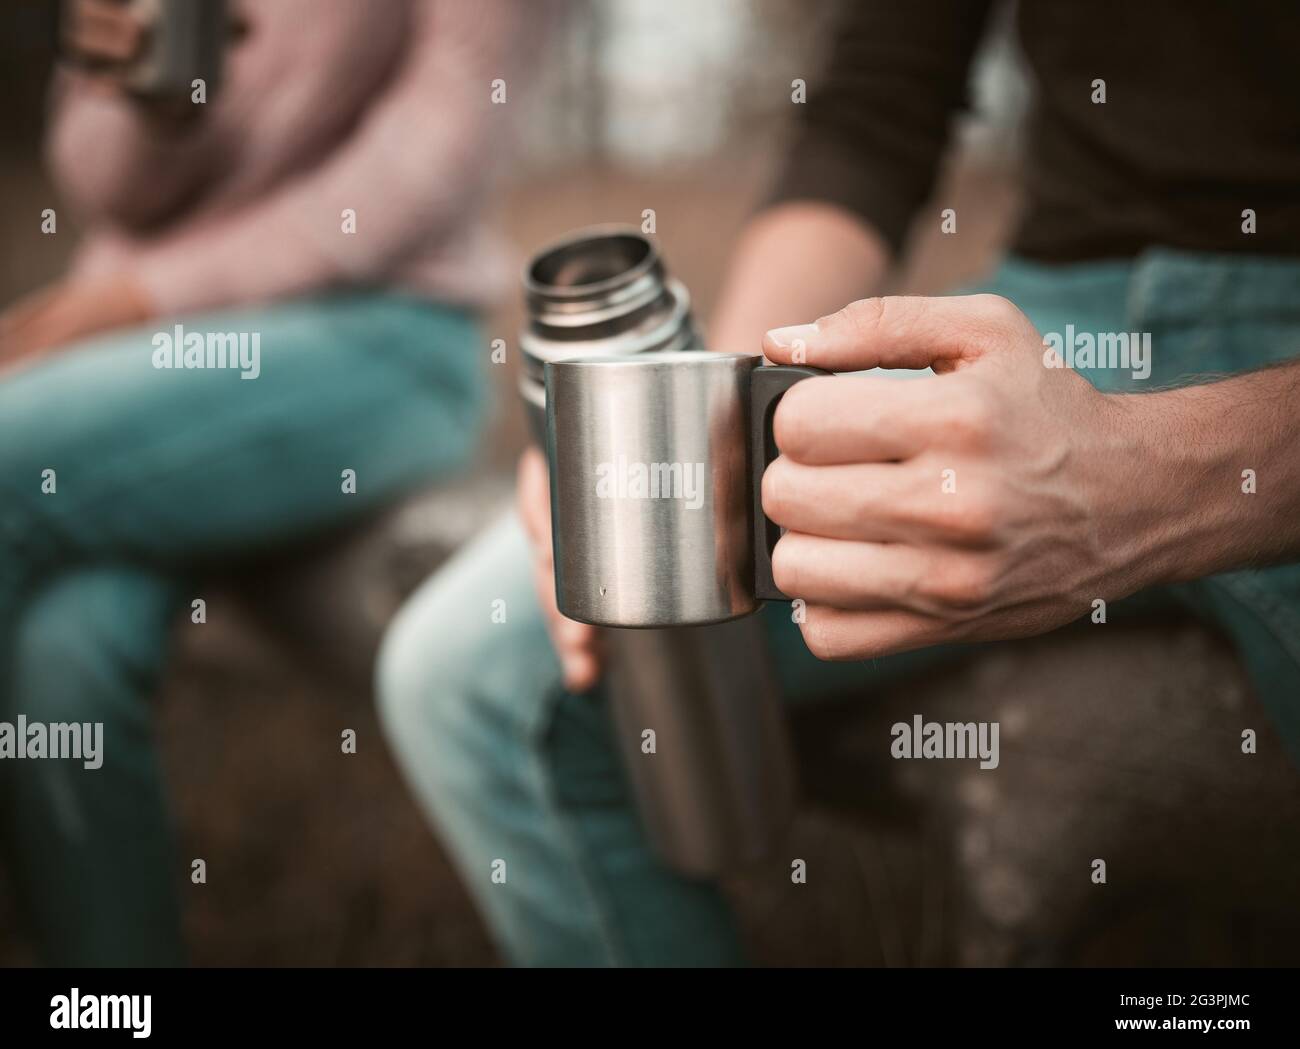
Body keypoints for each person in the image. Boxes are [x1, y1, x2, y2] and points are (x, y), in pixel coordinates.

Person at [377, 0, 1300, 965]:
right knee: (467, 676)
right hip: (1047, 318)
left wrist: (1147, 485)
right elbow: (875, 105)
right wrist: (703, 422)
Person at [0, 0, 536, 966]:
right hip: (131, 362)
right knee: (60, 656)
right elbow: (98, 179)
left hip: (378, 333)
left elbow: (430, 155)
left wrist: (147, 296)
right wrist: (157, 97)